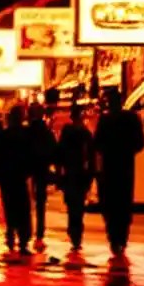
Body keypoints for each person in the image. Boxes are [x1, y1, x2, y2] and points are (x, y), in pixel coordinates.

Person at [93, 88, 144, 257]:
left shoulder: (105, 120)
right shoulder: (131, 119)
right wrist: (128, 150)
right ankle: (122, 238)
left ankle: (114, 238)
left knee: (110, 205)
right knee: (123, 205)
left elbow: (97, 143)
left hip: (110, 169)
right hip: (125, 168)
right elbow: (140, 142)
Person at [0, 105, 33, 255]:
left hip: (7, 178)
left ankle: (11, 235)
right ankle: (22, 240)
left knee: (10, 208)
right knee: (22, 209)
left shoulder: (2, 136)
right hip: (19, 177)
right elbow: (30, 155)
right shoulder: (26, 135)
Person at [55, 103, 95, 253]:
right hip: (81, 175)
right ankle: (77, 234)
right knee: (79, 207)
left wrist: (59, 173)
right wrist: (91, 175)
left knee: (72, 206)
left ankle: (74, 233)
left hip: (70, 174)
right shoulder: (85, 134)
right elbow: (90, 156)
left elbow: (59, 153)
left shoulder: (67, 132)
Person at [26, 103, 58, 252]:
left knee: (26, 204)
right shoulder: (46, 132)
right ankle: (39, 234)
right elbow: (54, 152)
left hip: (27, 170)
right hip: (42, 170)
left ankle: (25, 233)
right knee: (40, 204)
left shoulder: (26, 132)